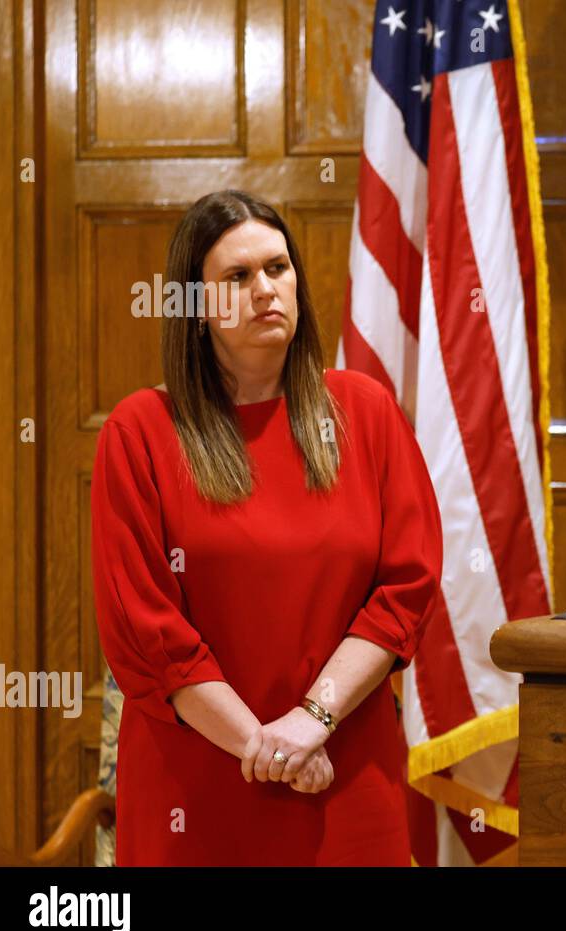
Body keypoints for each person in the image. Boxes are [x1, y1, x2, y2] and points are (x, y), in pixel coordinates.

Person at [90, 189, 444, 864]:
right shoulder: (139, 433)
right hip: (192, 790)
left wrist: (310, 724)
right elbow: (148, 632)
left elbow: (406, 587)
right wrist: (270, 748)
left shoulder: (364, 413)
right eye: (237, 277)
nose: (265, 290)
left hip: (344, 775)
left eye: (278, 269)